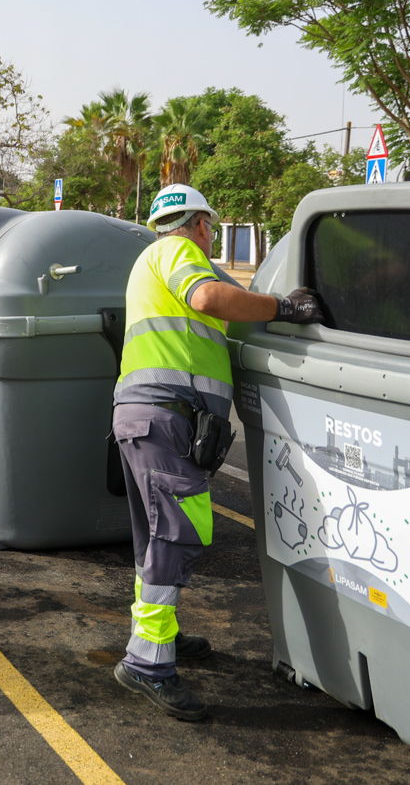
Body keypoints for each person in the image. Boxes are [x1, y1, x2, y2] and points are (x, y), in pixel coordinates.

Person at [111, 184, 322, 721]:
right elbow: (207, 298)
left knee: (156, 534)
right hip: (164, 416)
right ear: (201, 224)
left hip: (149, 417)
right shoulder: (178, 252)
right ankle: (147, 662)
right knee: (181, 529)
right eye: (210, 227)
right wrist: (285, 306)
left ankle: (161, 637)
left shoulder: (151, 260)